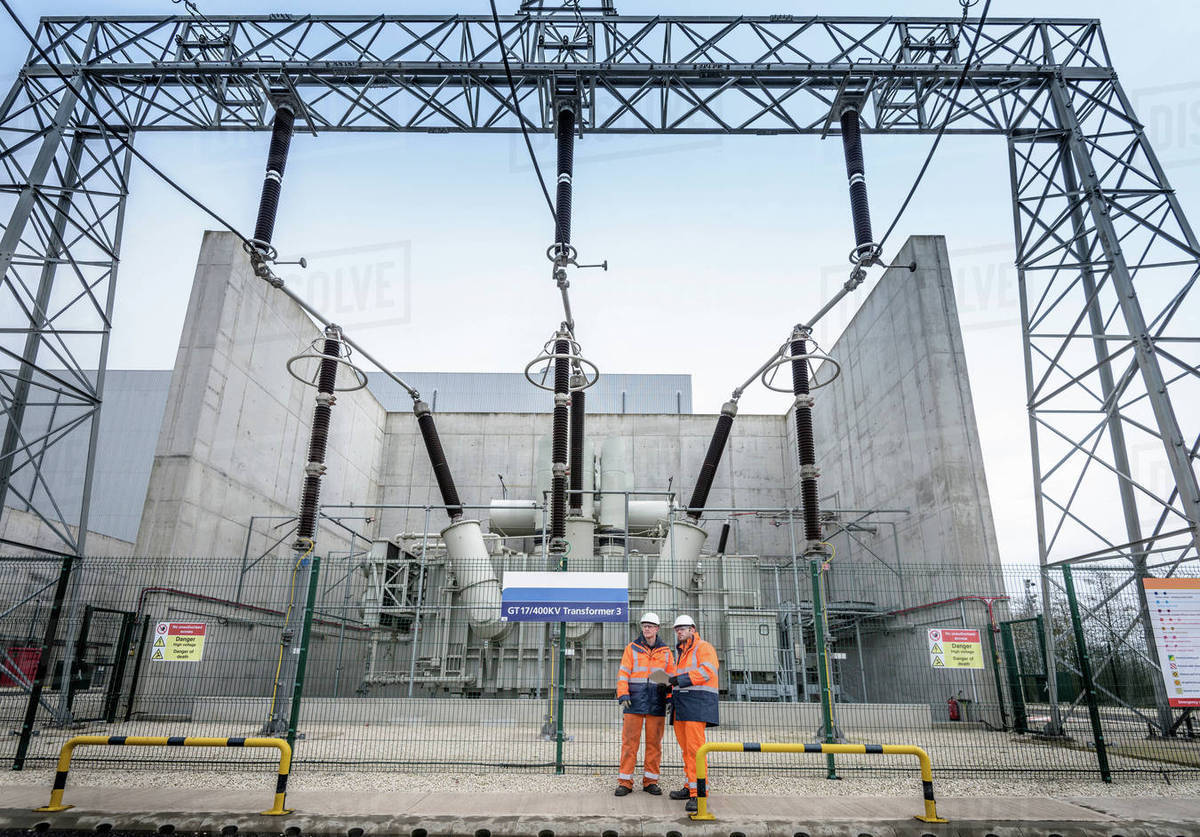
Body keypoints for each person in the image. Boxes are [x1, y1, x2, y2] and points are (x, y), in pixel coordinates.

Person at [614, 611, 674, 797]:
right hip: (634, 701)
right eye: (644, 626)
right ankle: (625, 782)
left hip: (657, 701)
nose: (646, 629)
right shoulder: (631, 648)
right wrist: (623, 694)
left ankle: (651, 781)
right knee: (629, 743)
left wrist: (670, 698)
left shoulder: (666, 652)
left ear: (657, 629)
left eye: (650, 626)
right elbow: (623, 673)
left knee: (654, 744)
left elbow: (670, 677)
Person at [667, 613, 719, 813]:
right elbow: (679, 679)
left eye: (682, 629)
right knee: (687, 750)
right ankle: (691, 787)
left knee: (696, 750)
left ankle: (699, 794)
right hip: (683, 705)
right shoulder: (682, 652)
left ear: (692, 629)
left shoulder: (703, 647)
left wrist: (678, 680)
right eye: (677, 629)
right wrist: (669, 687)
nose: (679, 632)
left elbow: (707, 672)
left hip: (696, 705)